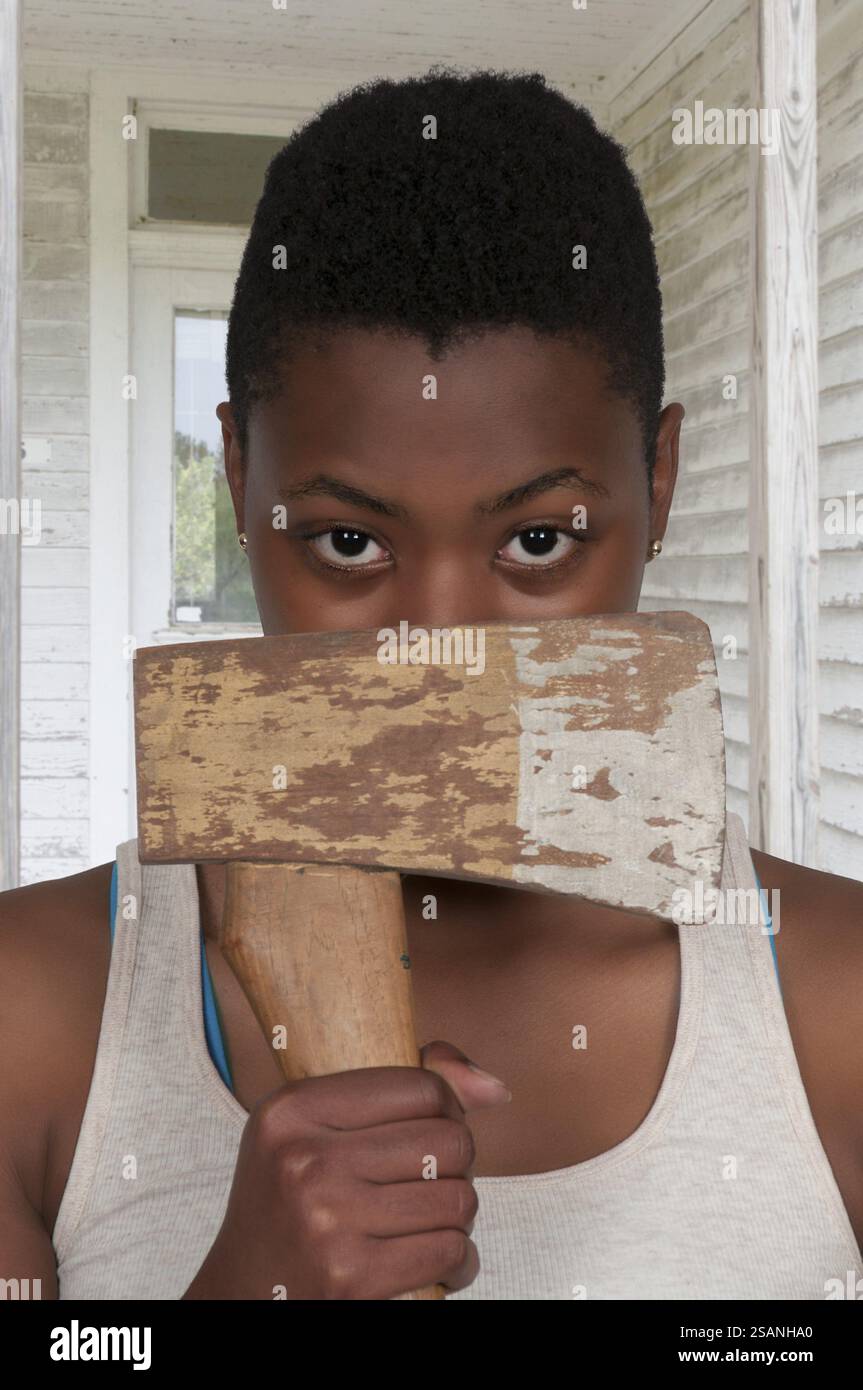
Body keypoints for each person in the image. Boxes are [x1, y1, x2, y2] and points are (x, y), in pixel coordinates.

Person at [1, 66, 861, 1302]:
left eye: (538, 541)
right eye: (349, 542)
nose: (436, 646)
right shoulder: (33, 1009)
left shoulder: (834, 1004)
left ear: (659, 483)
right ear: (239, 479)